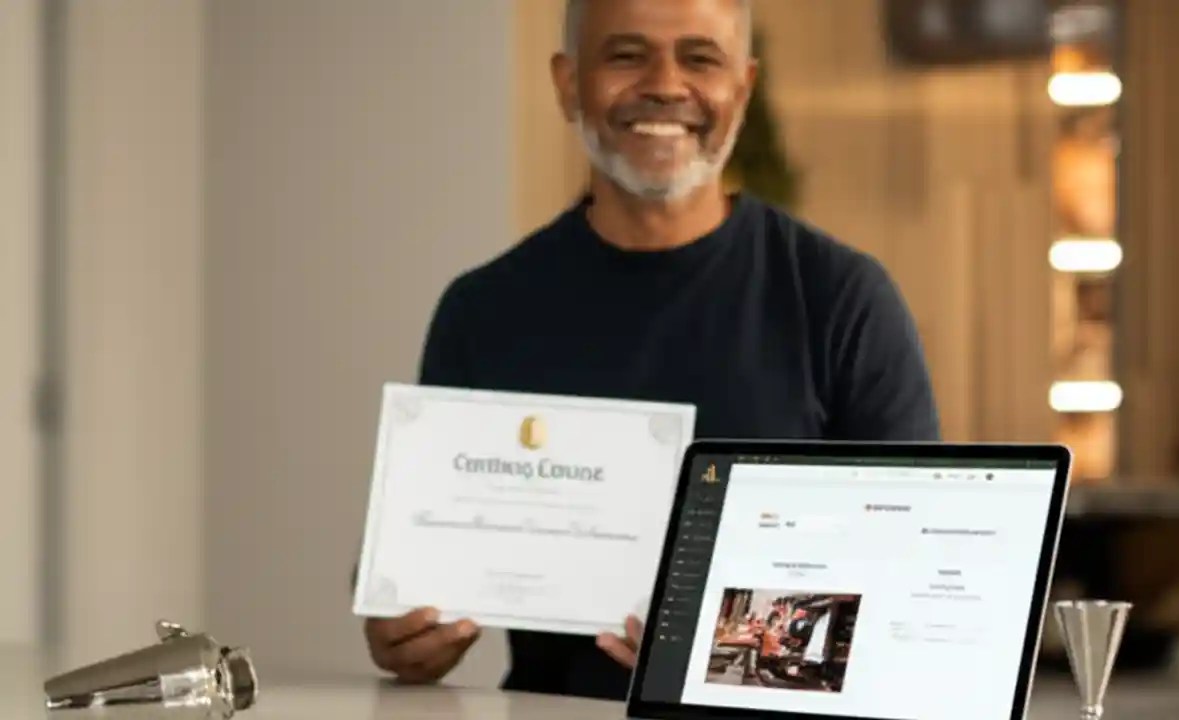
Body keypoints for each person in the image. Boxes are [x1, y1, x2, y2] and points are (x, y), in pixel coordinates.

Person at [361, 0, 940, 702]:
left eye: (700, 58)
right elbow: (427, 561)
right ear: (568, 83)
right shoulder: (482, 310)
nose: (666, 85)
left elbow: (913, 592)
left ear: (743, 88)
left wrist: (720, 649)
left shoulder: (842, 299)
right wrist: (405, 625)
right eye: (627, 55)